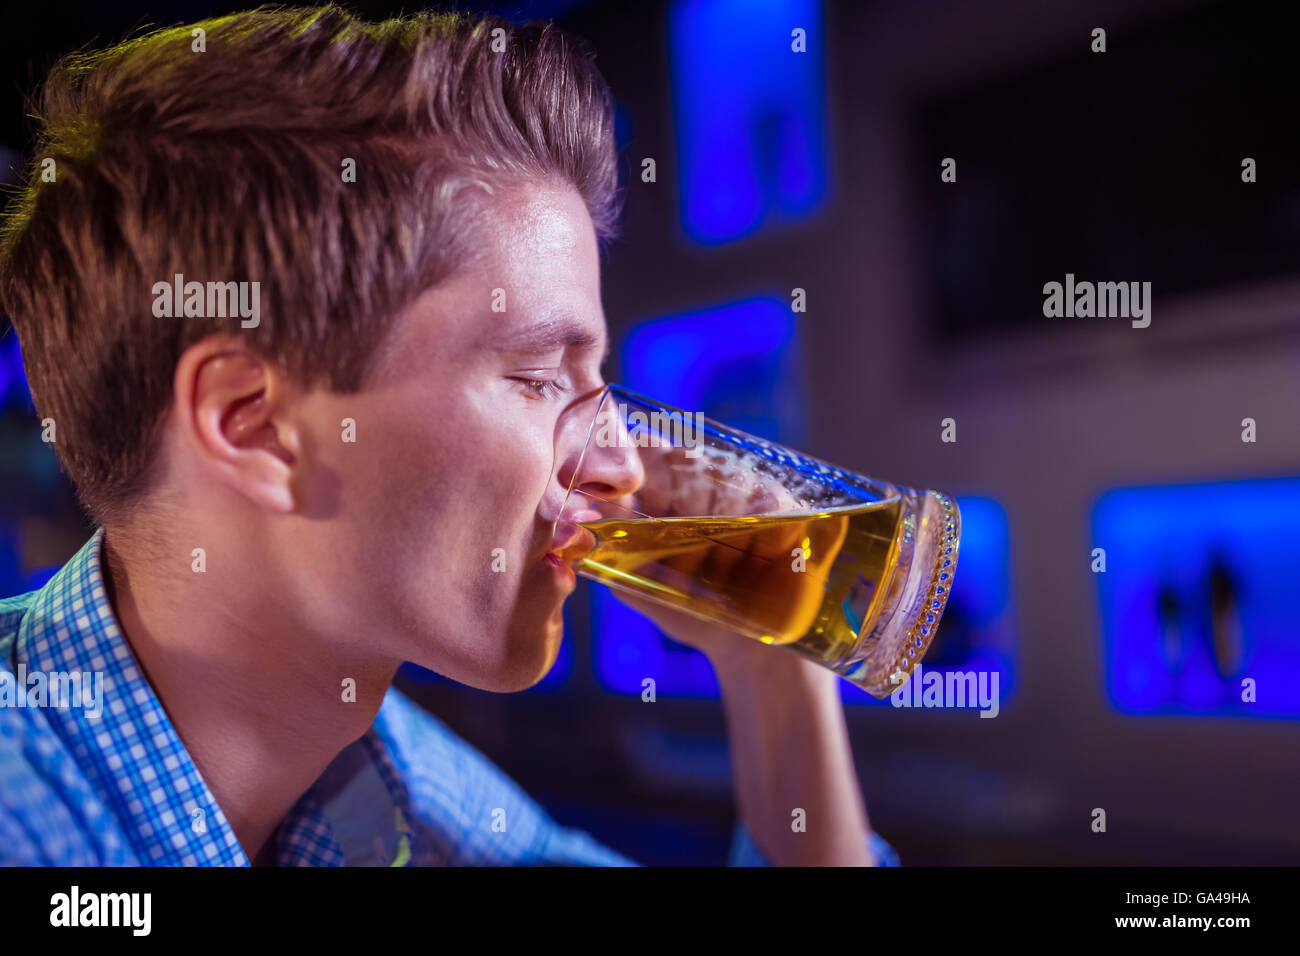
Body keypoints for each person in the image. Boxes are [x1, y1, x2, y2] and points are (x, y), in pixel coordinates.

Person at [0, 5, 899, 867]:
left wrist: (770, 662)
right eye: (540, 377)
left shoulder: (372, 764)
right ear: (254, 425)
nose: (623, 465)